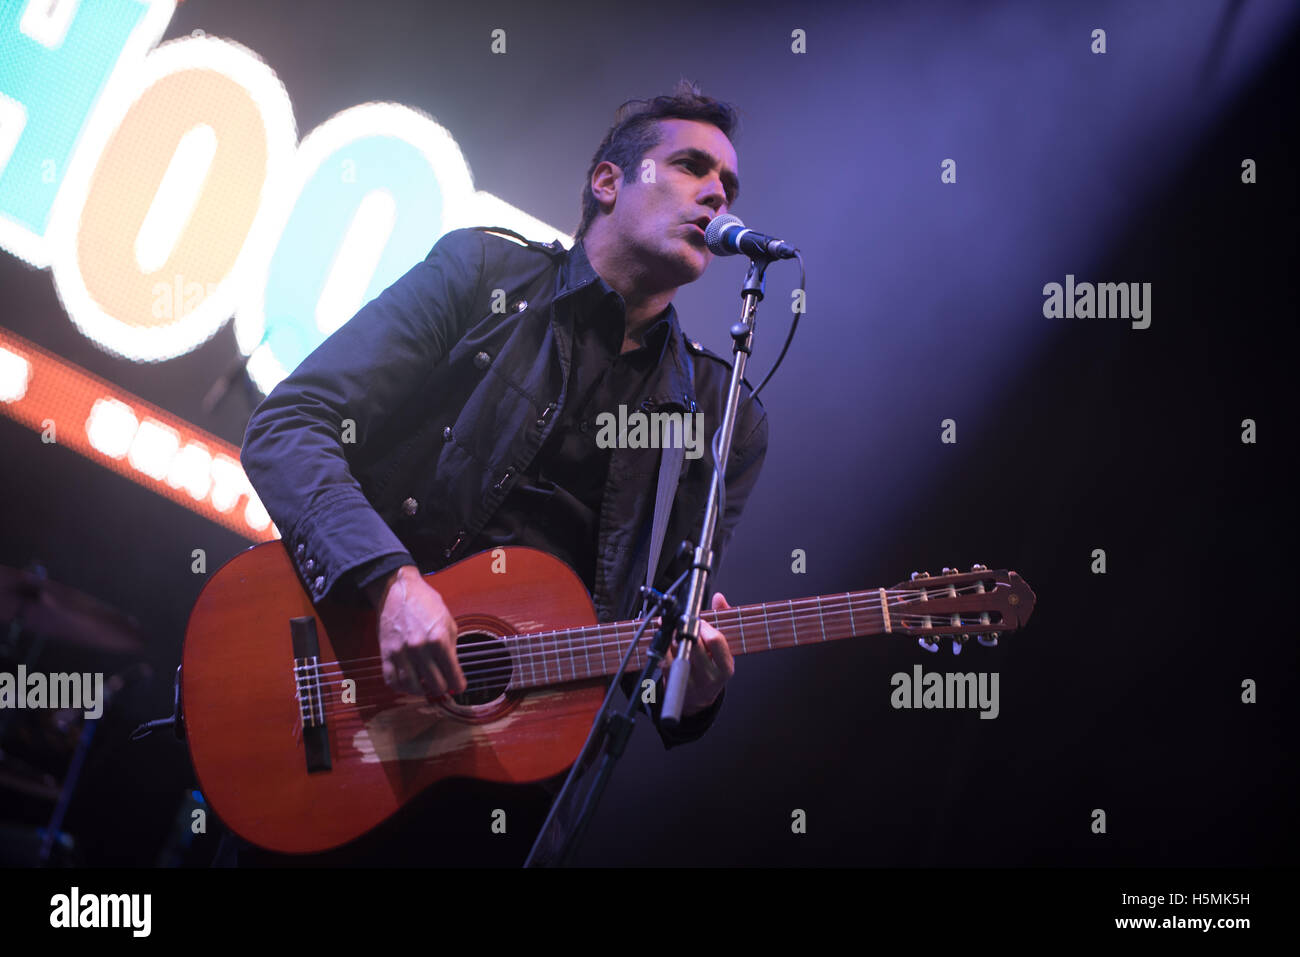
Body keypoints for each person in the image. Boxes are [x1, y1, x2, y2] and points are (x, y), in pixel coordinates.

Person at [222, 79, 769, 866]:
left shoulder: (723, 416)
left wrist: (697, 689)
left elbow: (659, 662)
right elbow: (288, 425)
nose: (717, 191)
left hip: (504, 800)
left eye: (728, 184)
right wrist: (392, 584)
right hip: (343, 717)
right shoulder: (481, 275)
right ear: (607, 182)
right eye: (690, 166)